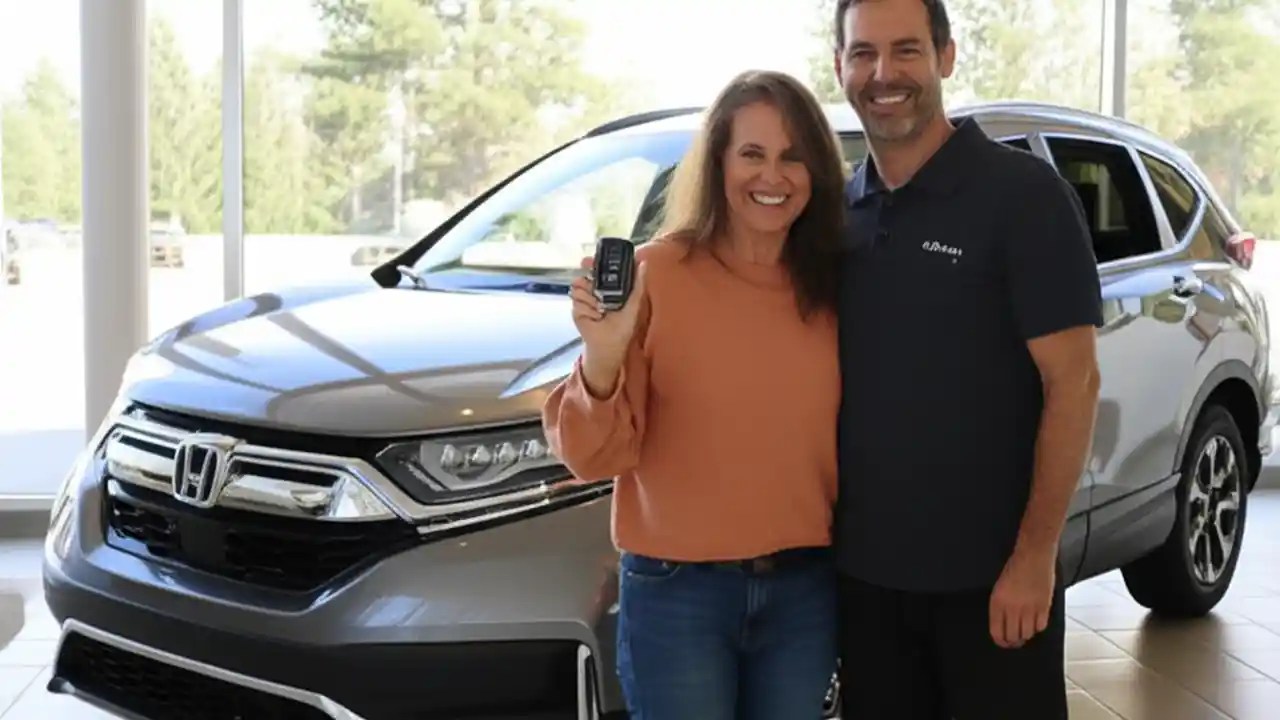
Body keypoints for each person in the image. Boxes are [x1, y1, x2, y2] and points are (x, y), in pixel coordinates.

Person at [541, 69, 847, 719]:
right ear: (717, 163)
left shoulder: (837, 286)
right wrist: (603, 354)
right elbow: (593, 457)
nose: (773, 177)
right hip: (679, 594)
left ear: (817, 170)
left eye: (793, 156)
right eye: (752, 154)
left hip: (805, 589)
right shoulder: (658, 274)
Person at [828, 0, 1103, 718]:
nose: (884, 73)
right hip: (865, 589)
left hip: (993, 585)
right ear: (840, 68)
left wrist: (1034, 557)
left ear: (946, 57)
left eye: (907, 51)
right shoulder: (835, 219)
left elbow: (1073, 384)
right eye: (863, 54)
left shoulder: (1023, 198)